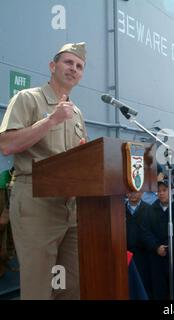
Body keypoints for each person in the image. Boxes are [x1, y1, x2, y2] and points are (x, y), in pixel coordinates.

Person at [0, 43, 88, 299]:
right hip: (36, 201)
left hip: (70, 206)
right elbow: (7, 145)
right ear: (52, 66)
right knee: (39, 287)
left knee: (68, 286)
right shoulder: (28, 98)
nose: (74, 69)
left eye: (79, 66)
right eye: (68, 62)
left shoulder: (77, 113)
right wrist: (51, 120)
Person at [141, 179, 174, 300]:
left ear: (172, 191)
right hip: (156, 256)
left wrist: (168, 247)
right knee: (159, 289)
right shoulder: (150, 210)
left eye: (164, 190)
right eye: (159, 190)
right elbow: (146, 232)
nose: (161, 193)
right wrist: (156, 247)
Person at [125, 190, 152, 298]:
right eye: (129, 192)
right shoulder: (120, 208)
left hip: (144, 253)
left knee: (144, 282)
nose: (132, 194)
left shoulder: (149, 209)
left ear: (141, 193)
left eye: (135, 192)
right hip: (126, 252)